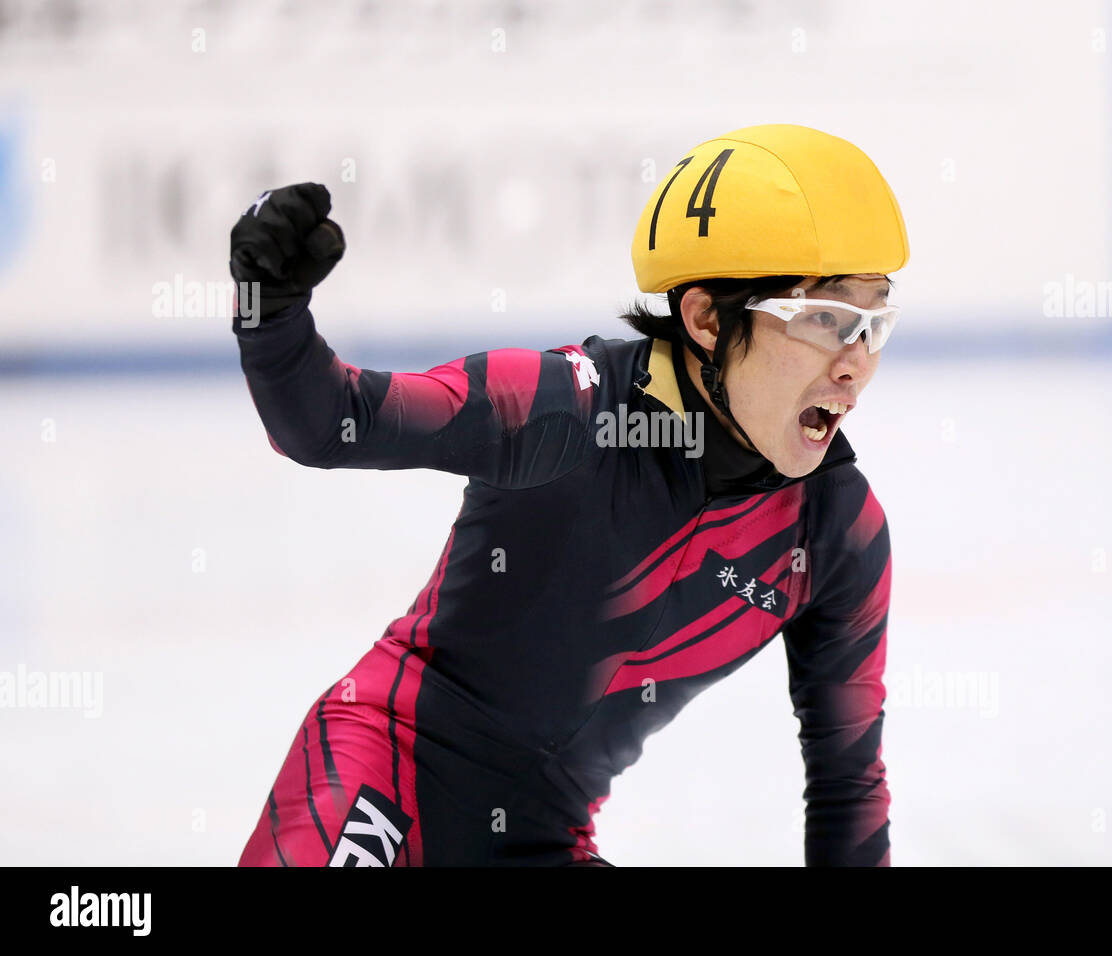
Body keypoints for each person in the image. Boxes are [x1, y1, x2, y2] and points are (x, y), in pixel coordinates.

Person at [229, 123, 907, 867]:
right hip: (381, 777)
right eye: (826, 321)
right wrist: (274, 317)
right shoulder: (569, 411)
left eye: (874, 323)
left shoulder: (836, 535)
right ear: (708, 319)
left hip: (542, 843)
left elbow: (847, 782)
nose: (855, 366)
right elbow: (333, 424)